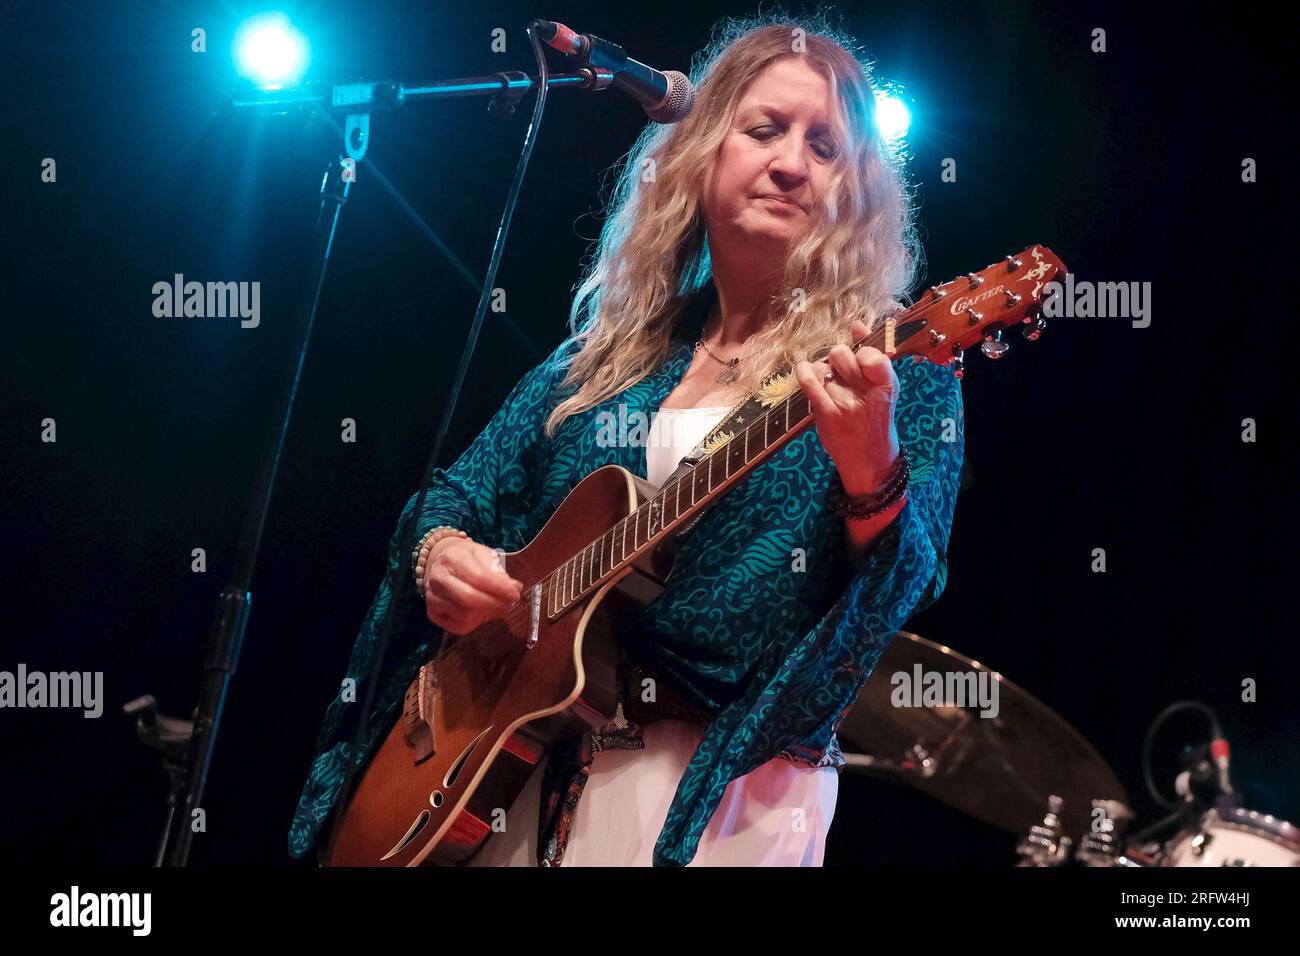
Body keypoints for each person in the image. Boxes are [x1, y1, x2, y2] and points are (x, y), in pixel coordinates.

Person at [288, 13, 964, 867]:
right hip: (515, 756)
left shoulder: (897, 371)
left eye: (826, 147)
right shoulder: (607, 361)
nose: (792, 163)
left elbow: (903, 583)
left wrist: (871, 472)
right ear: (701, 149)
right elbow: (450, 495)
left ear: (855, 189)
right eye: (764, 131)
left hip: (720, 794)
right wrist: (440, 554)